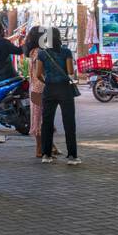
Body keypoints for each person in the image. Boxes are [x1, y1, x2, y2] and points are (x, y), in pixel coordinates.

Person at [32, 27, 80, 165]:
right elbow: (70, 71)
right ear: (59, 37)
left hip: (49, 89)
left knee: (47, 122)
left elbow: (38, 74)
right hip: (65, 89)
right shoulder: (66, 52)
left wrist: (47, 81)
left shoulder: (42, 53)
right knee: (69, 122)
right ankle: (72, 156)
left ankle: (46, 155)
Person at [23, 26, 56, 159]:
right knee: (40, 120)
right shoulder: (39, 52)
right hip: (40, 88)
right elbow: (40, 73)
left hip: (35, 88)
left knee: (42, 118)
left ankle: (50, 146)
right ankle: (39, 149)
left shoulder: (33, 51)